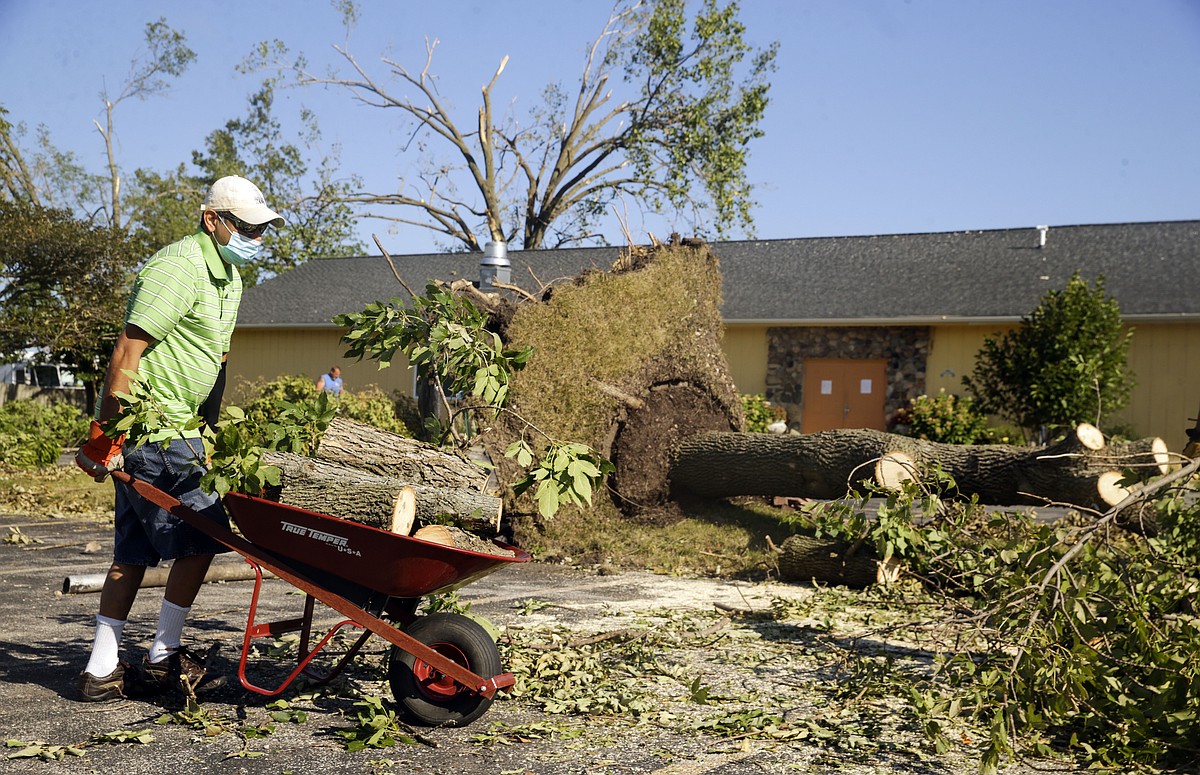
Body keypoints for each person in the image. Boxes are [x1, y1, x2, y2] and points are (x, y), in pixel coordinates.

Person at [74, 175, 283, 701]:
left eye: (262, 231)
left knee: (133, 549)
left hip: (183, 428)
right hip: (155, 427)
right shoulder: (178, 268)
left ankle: (100, 669)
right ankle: (163, 655)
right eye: (248, 228)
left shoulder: (228, 277)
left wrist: (208, 432)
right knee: (205, 534)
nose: (256, 239)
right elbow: (126, 354)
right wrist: (103, 438)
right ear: (213, 220)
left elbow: (217, 360)